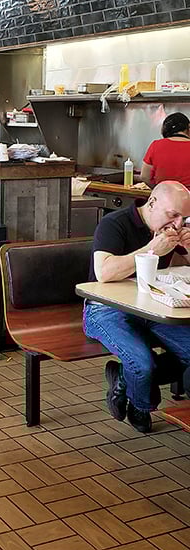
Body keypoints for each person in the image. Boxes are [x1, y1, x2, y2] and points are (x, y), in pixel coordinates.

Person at [84, 180, 190, 433]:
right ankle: (141, 405)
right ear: (152, 203)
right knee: (142, 364)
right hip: (104, 307)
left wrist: (187, 247)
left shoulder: (173, 229)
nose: (177, 224)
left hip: (153, 305)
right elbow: (104, 272)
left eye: (184, 218)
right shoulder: (115, 223)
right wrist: (152, 249)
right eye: (173, 215)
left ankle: (123, 376)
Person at [141, 112, 190, 188]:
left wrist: (159, 189)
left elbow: (144, 176)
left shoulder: (156, 145)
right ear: (188, 128)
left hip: (163, 197)